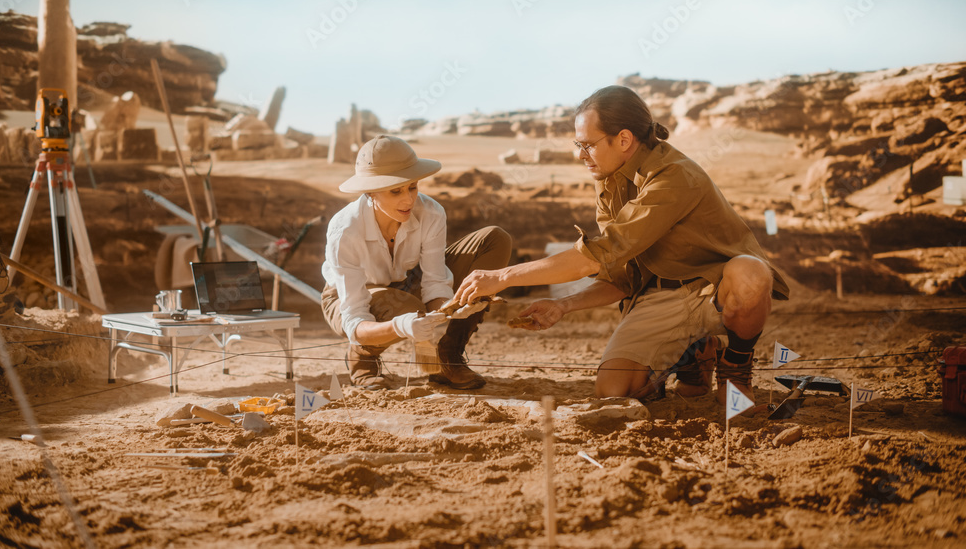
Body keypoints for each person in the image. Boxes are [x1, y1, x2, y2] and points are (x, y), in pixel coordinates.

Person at [454, 85, 789, 402]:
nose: (581, 155)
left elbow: (597, 255)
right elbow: (619, 276)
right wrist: (563, 305)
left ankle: (736, 367)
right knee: (613, 390)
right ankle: (696, 353)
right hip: (660, 296)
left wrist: (502, 277)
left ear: (624, 139)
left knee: (751, 273)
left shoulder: (674, 177)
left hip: (715, 290)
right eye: (578, 145)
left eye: (588, 144)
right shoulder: (609, 182)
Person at [322, 135, 512, 391]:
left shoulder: (431, 212)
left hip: (407, 281)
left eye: (413, 187)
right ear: (370, 192)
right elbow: (354, 319)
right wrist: (401, 325)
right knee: (406, 308)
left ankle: (449, 355)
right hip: (349, 298)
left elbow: (434, 281)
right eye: (396, 191)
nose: (409, 200)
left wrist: (452, 309)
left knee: (495, 239)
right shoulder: (345, 230)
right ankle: (363, 358)